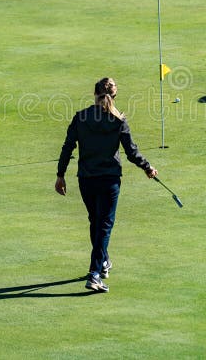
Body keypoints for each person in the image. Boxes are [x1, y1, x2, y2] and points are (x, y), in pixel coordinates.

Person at [55, 77, 158, 293]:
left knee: (96, 221)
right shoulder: (118, 119)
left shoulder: (81, 117)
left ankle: (103, 261)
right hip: (109, 180)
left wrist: (60, 174)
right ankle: (94, 273)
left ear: (94, 94)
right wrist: (147, 167)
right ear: (114, 96)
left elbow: (67, 147)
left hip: (86, 179)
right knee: (103, 225)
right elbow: (131, 152)